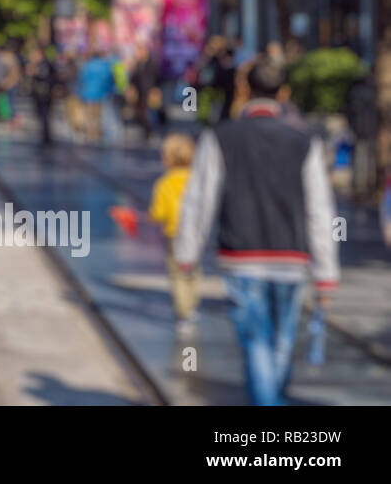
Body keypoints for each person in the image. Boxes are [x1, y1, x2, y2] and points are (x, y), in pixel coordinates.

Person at [175, 60, 339, 406]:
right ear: (283, 95)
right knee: (280, 343)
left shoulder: (219, 138)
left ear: (245, 91)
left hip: (241, 259)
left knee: (256, 344)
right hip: (291, 260)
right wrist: (326, 273)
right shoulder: (303, 142)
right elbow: (320, 209)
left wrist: (186, 253)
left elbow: (198, 200)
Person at [149, 132, 199, 335]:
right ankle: (192, 304)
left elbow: (159, 212)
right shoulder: (196, 179)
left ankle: (183, 313)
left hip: (174, 233)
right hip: (195, 233)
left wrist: (151, 217)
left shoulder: (164, 183)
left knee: (176, 272)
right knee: (193, 271)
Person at [77, 49, 114, 142]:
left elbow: (82, 79)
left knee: (89, 115)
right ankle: (97, 134)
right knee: (98, 115)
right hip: (101, 94)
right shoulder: (104, 66)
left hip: (88, 94)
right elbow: (109, 79)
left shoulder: (87, 65)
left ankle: (90, 134)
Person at [130, 41, 162, 143]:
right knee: (142, 113)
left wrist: (156, 88)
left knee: (151, 113)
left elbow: (158, 77)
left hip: (151, 92)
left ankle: (153, 133)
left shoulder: (152, 63)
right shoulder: (138, 64)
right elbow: (134, 78)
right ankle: (147, 133)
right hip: (141, 92)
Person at [25, 46, 57, 147]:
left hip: (44, 94)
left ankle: (46, 139)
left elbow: (48, 77)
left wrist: (35, 72)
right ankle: (44, 137)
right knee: (41, 116)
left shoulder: (45, 64)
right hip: (38, 94)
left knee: (45, 116)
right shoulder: (38, 64)